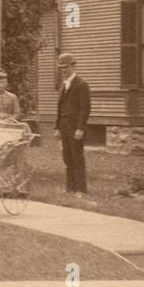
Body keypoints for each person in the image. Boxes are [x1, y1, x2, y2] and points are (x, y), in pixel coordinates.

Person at [55, 52, 92, 198]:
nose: (64, 70)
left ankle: (81, 189)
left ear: (73, 66)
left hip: (75, 127)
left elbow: (85, 108)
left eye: (66, 67)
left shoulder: (81, 84)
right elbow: (60, 107)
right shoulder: (63, 85)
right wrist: (57, 127)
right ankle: (70, 187)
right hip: (64, 126)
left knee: (77, 156)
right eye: (61, 67)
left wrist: (80, 128)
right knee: (67, 156)